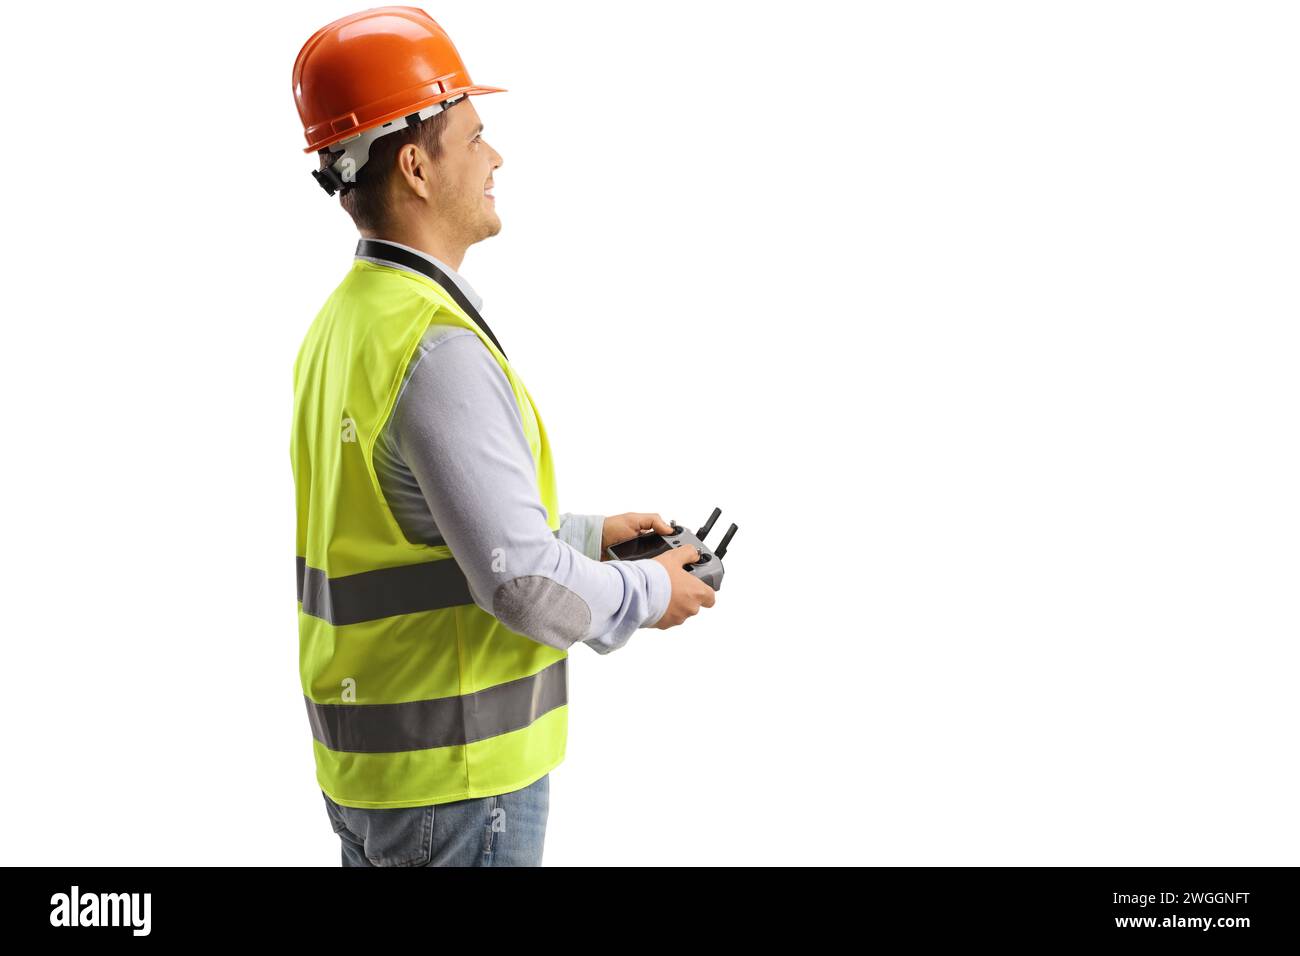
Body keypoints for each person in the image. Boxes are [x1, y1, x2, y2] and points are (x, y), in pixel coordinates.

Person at [289, 7, 716, 867]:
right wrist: (645, 595)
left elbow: (413, 535)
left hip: (380, 777)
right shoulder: (433, 346)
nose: (496, 157)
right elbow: (519, 583)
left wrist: (590, 538)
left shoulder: (347, 324)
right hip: (459, 783)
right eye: (475, 136)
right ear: (415, 165)